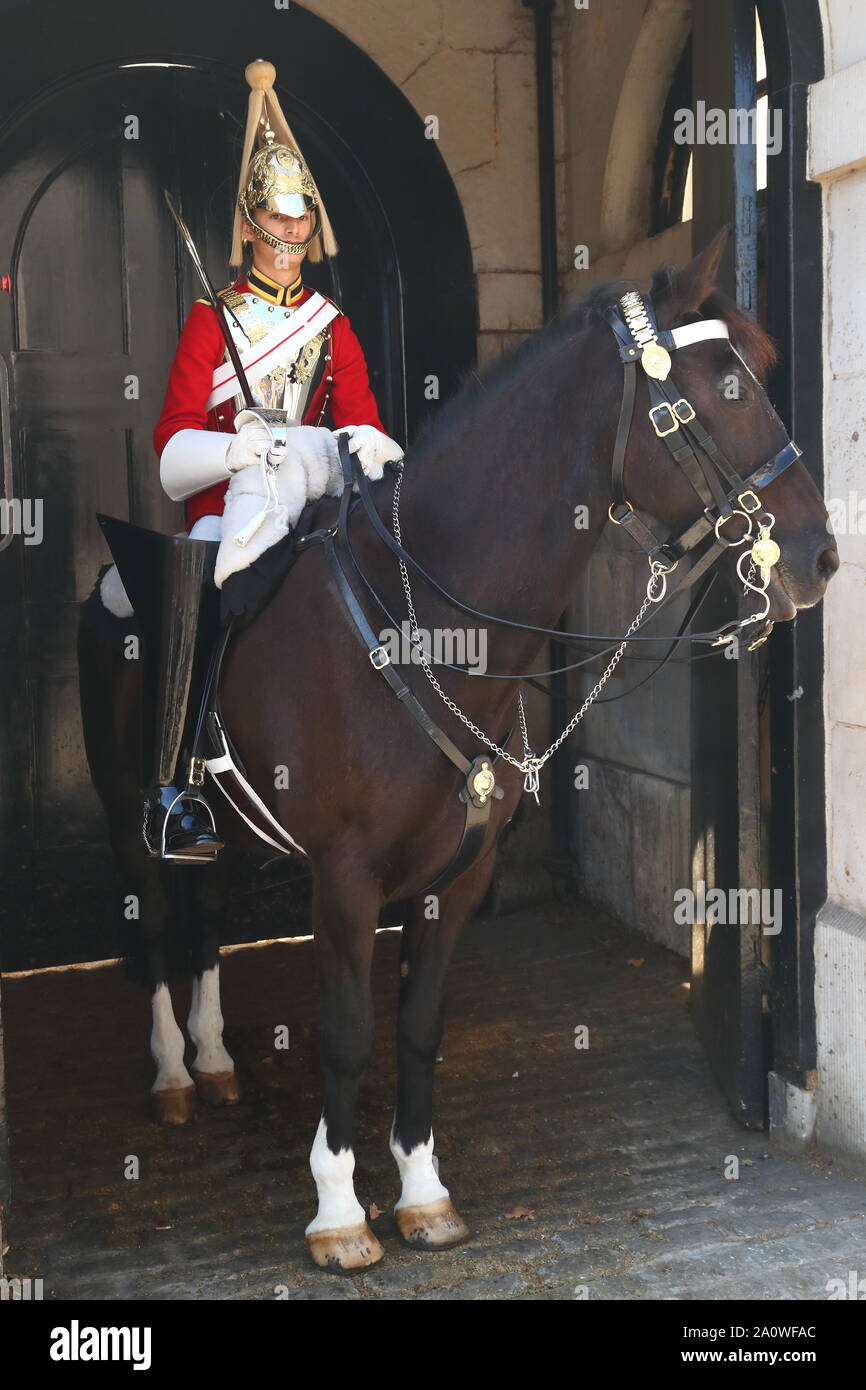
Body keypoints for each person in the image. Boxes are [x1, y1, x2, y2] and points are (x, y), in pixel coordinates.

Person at [146, 59, 403, 861]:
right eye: (275, 219)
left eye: (301, 221)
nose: (289, 235)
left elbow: (360, 423)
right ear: (250, 223)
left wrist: (372, 440)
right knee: (195, 579)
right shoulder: (207, 320)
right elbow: (170, 447)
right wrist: (235, 447)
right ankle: (178, 783)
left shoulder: (334, 327)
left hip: (314, 494)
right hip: (227, 500)